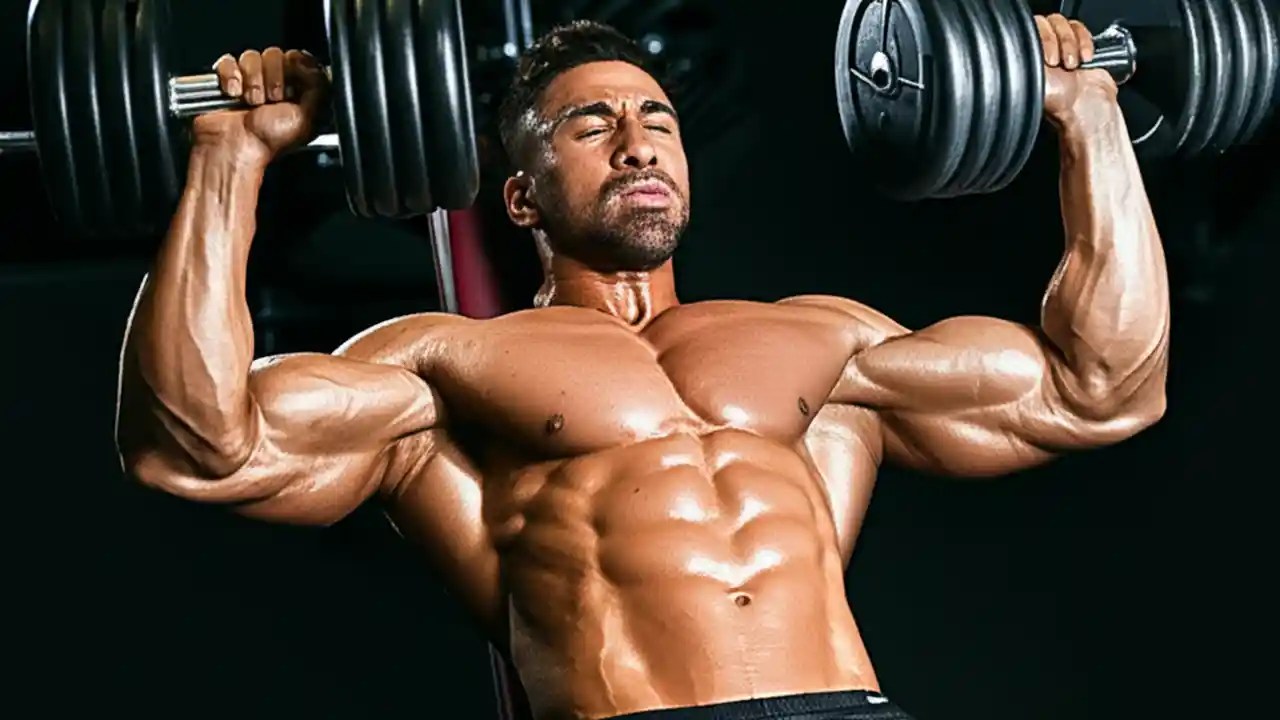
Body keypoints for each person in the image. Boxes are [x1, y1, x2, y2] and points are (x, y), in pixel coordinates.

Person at [114, 14, 1169, 720]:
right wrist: (228, 160)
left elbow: (1102, 387)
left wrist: (1088, 121)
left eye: (656, 118)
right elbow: (200, 444)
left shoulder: (824, 340)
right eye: (591, 125)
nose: (637, 144)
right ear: (520, 200)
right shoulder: (444, 364)